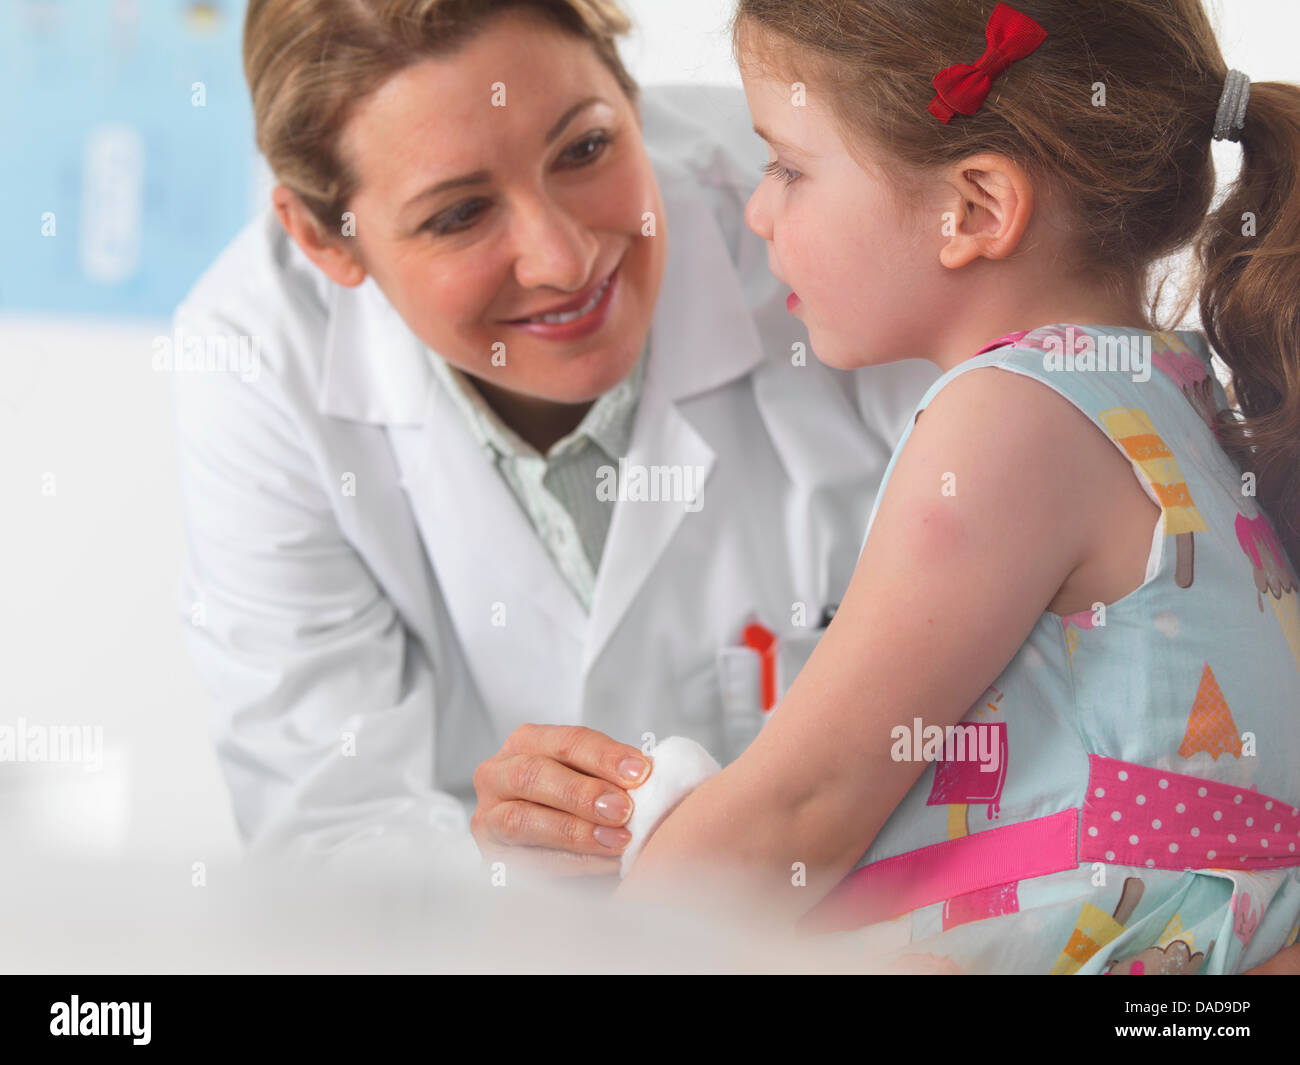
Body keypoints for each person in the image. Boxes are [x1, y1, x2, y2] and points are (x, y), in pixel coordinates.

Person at [171, 0, 937, 881]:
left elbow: (1040, 631)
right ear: (322, 237)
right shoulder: (257, 357)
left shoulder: (830, 200)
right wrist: (503, 879)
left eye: (584, 149)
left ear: (626, 90)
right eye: (460, 214)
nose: (564, 259)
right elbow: (330, 827)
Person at [616, 0, 1300, 975]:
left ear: (975, 209)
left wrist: (589, 937)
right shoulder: (1176, 391)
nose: (758, 211)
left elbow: (794, 815)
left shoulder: (1009, 419)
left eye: (788, 169)